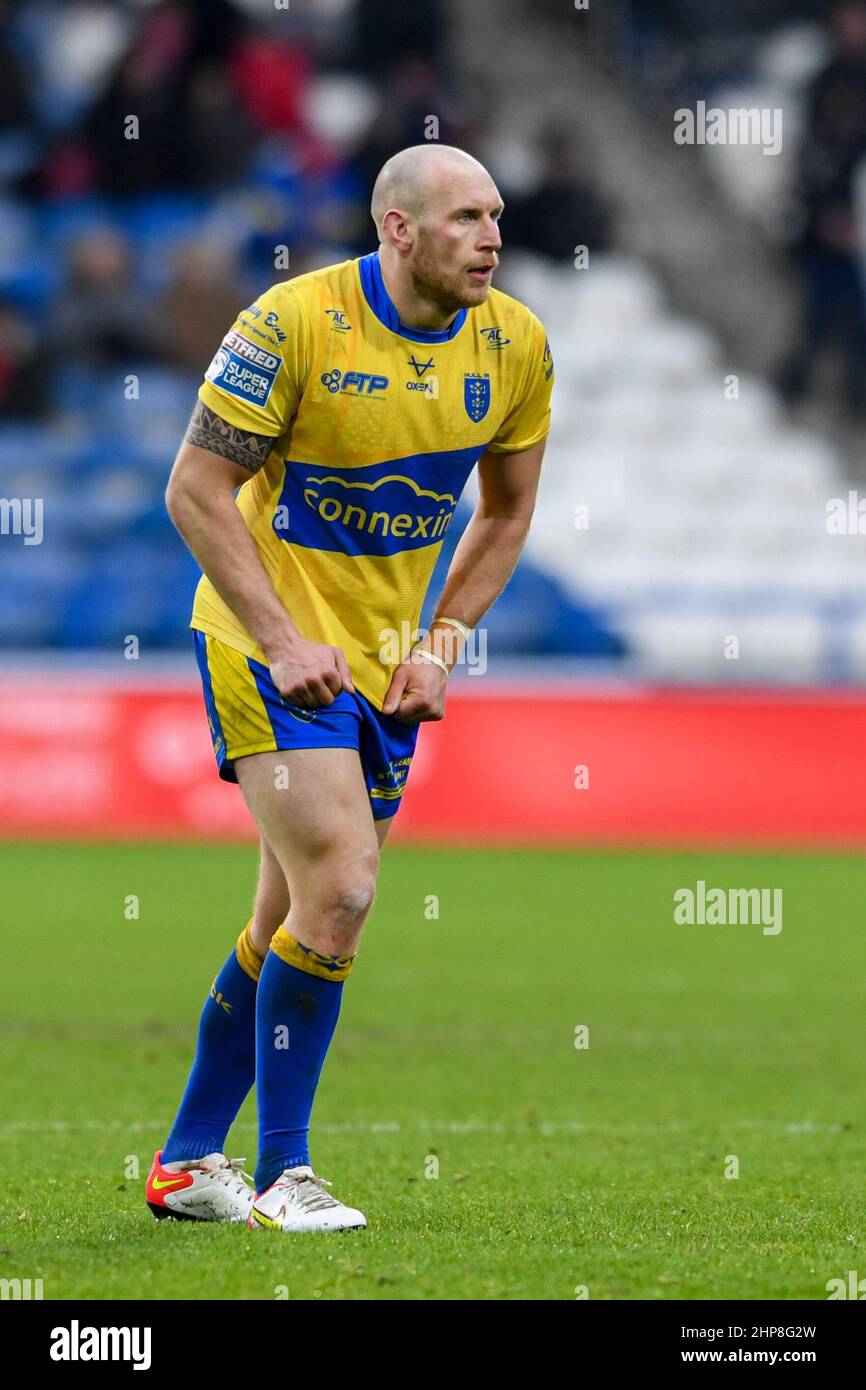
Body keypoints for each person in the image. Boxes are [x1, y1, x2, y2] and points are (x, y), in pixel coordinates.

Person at [150, 144, 554, 1232]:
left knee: (292, 910)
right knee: (345, 885)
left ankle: (189, 1161)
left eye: (497, 215)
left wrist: (438, 645)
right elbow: (195, 488)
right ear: (397, 229)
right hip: (262, 642)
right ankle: (286, 1173)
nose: (491, 237)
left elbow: (505, 513)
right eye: (465, 216)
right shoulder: (291, 324)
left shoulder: (513, 345)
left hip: (381, 665)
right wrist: (282, 640)